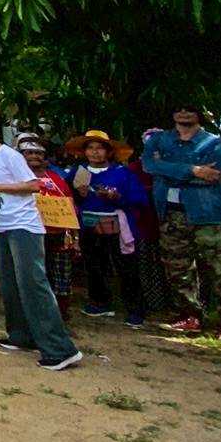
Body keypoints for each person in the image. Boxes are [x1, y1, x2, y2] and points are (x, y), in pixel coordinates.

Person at [0, 113, 83, 370]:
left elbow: (33, 185)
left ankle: (60, 348)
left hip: (24, 226)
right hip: (4, 224)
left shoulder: (9, 155)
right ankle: (21, 335)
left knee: (33, 284)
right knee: (9, 283)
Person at [141, 105, 221, 334]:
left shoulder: (215, 143)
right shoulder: (159, 140)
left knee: (219, 268)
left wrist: (170, 171)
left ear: (200, 115)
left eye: (190, 109)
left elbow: (217, 176)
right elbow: (149, 164)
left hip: (209, 212)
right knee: (177, 266)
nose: (184, 113)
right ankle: (190, 316)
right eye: (178, 109)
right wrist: (194, 170)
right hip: (171, 212)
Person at [63, 129, 149, 326]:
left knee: (126, 267)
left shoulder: (122, 173)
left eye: (100, 148)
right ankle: (100, 302)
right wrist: (80, 195)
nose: (95, 153)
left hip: (117, 225)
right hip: (89, 224)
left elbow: (140, 199)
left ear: (109, 152)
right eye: (91, 148)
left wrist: (117, 197)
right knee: (94, 264)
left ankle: (135, 309)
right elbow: (68, 198)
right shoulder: (78, 172)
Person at [17, 134, 78, 319]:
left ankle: (59, 310)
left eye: (38, 153)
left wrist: (74, 236)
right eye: (29, 153)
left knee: (60, 274)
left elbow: (70, 205)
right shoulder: (16, 178)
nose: (34, 156)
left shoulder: (57, 179)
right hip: (29, 232)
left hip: (57, 234)